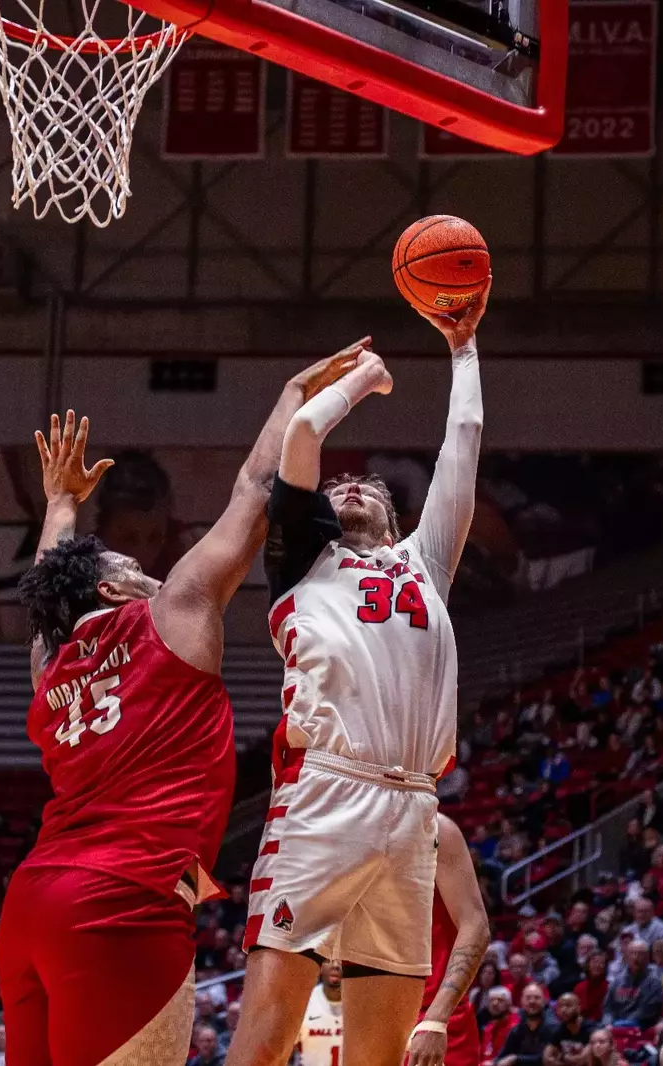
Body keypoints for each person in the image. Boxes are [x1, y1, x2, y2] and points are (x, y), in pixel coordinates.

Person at [0, 356, 363, 1066]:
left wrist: (61, 507)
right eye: (130, 568)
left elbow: (45, 604)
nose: (150, 570)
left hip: (32, 903)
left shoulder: (52, 668)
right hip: (120, 903)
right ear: (110, 594)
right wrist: (294, 397)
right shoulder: (173, 613)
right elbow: (258, 490)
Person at [229, 290, 488, 1066]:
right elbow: (305, 430)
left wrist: (464, 347)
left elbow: (464, 439)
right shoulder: (303, 562)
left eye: (367, 487)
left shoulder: (425, 565)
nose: (350, 488)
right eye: (337, 489)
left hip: (413, 808)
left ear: (396, 519)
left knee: (376, 1055)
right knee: (268, 1041)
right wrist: (364, 379)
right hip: (327, 797)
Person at [412, 814, 492, 1066]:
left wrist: (436, 1019)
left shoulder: (435, 828)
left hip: (431, 1014)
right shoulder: (349, 827)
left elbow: (476, 926)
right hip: (370, 1011)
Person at [298, 962, 343, 1066]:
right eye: (329, 960)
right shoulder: (304, 1000)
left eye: (341, 961)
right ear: (321, 967)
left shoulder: (360, 1004)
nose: (335, 965)